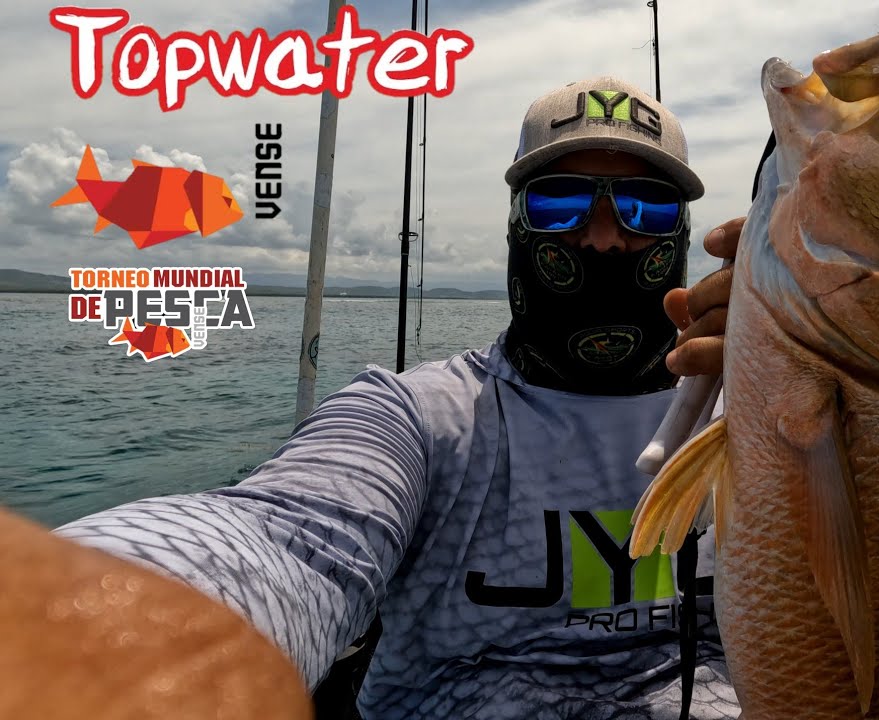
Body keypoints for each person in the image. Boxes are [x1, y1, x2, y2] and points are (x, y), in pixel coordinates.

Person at [54, 76, 749, 720]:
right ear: (516, 221)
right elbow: (283, 539)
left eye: (646, 206)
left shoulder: (771, 423)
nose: (603, 237)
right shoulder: (417, 418)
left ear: (687, 235)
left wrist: (806, 367)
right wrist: (76, 632)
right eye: (559, 201)